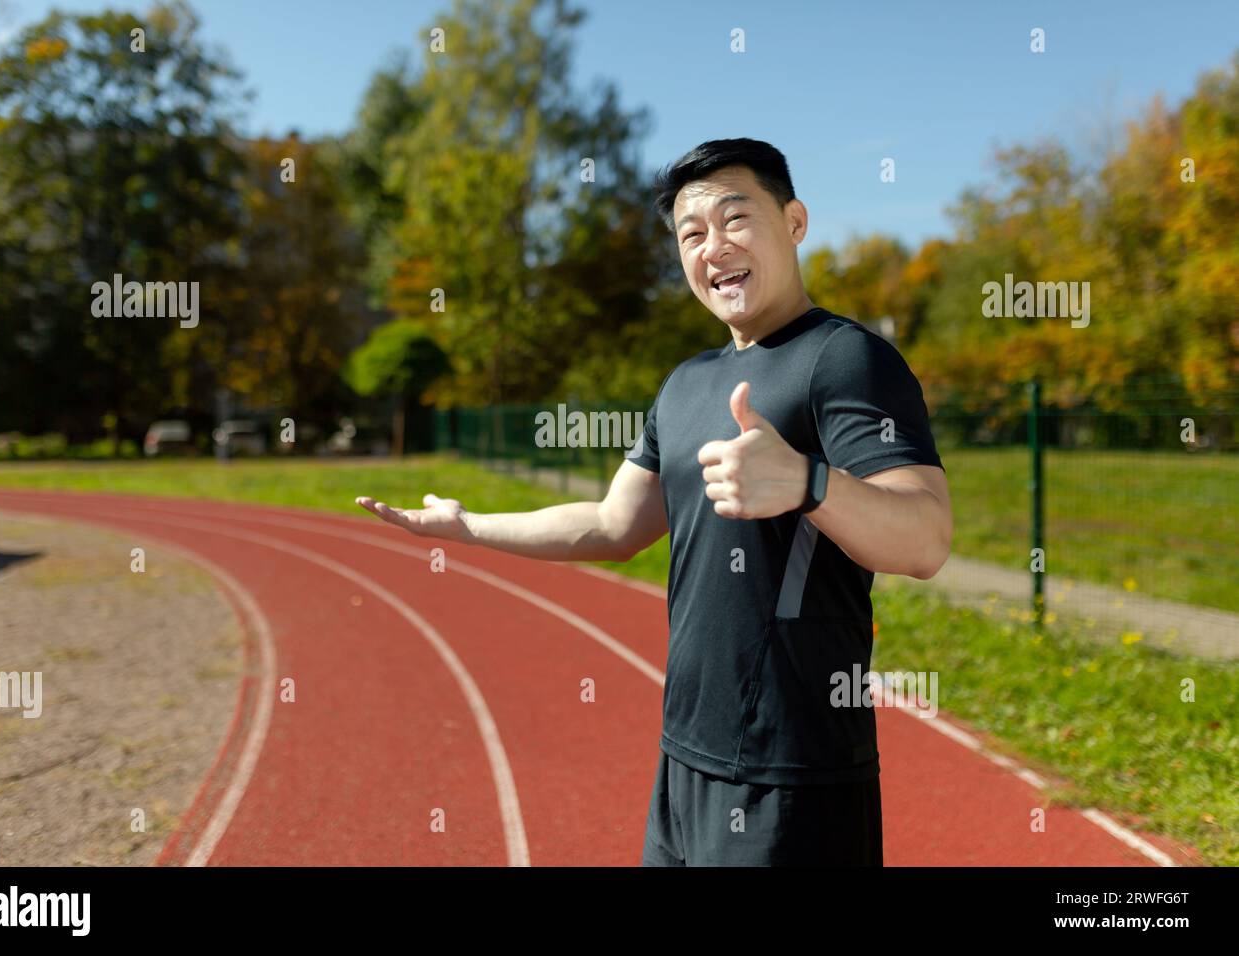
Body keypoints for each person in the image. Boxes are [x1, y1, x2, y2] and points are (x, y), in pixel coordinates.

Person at [356, 138, 952, 866]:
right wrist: (468, 526)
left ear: (794, 221)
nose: (714, 247)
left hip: (791, 774)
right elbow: (611, 524)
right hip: (684, 761)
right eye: (691, 234)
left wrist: (806, 482)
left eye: (737, 219)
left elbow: (925, 538)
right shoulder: (686, 385)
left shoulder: (845, 357)